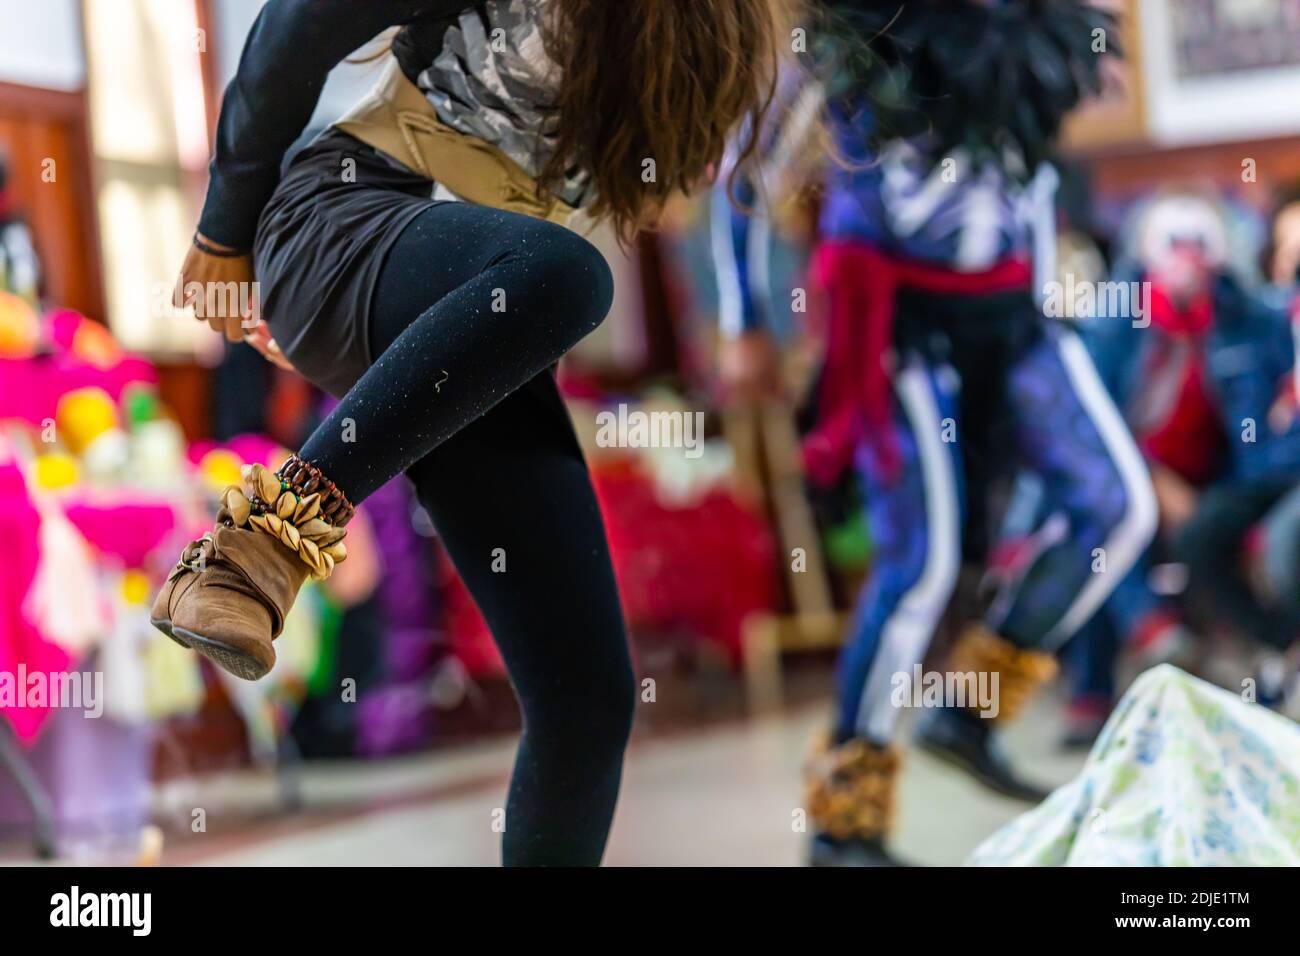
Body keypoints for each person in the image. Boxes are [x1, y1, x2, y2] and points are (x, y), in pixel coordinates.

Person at [150, 0, 800, 867]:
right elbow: (296, 27)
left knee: (587, 701)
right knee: (571, 275)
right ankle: (255, 550)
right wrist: (223, 230)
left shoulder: (680, 34)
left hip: (466, 316)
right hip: (344, 216)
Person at [714, 0, 1156, 866]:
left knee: (1118, 507)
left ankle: (969, 710)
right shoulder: (856, 31)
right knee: (920, 563)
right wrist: (745, 320)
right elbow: (748, 168)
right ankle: (845, 823)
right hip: (896, 313)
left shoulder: (1040, 26)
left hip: (1012, 309)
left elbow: (1026, 173)